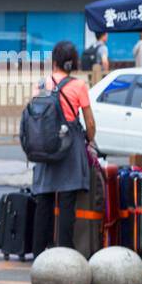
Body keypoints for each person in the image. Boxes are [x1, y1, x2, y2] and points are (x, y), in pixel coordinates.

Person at [31, 41, 97, 253]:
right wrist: (89, 137)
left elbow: (34, 116)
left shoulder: (41, 84)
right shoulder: (78, 86)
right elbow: (90, 123)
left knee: (44, 199)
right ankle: (65, 252)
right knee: (68, 201)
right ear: (74, 61)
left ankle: (39, 251)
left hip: (45, 148)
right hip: (70, 149)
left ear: (54, 61)